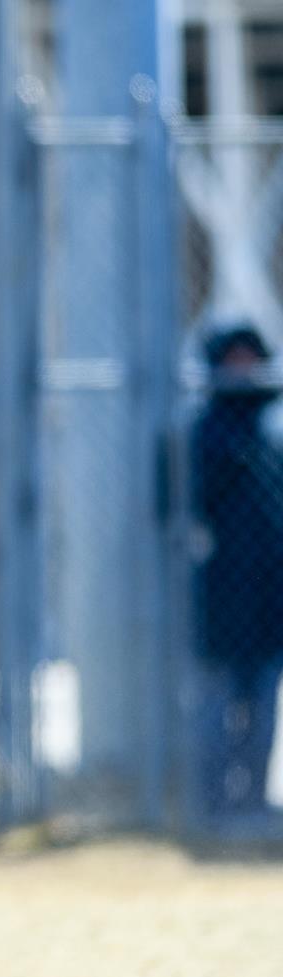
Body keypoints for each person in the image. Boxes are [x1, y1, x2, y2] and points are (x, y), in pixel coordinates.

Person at [191, 323, 283, 818]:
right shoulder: (206, 432)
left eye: (253, 359)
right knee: (218, 697)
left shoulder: (274, 432)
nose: (245, 371)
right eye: (235, 361)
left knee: (266, 697)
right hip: (220, 588)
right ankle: (214, 799)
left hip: (273, 590)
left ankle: (253, 799)